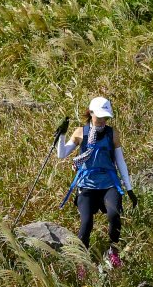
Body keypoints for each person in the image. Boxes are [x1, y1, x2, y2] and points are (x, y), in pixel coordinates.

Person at [54, 95, 133, 269]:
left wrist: (129, 189)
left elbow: (121, 162)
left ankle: (113, 253)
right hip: (87, 186)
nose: (103, 120)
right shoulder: (80, 132)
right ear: (90, 113)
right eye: (100, 116)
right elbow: (61, 154)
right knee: (86, 223)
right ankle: (82, 262)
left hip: (109, 185)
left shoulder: (113, 134)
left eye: (106, 117)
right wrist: (61, 135)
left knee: (114, 216)